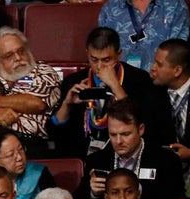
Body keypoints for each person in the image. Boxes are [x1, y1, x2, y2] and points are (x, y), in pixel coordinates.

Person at [50, 27, 173, 159]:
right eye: (94, 59)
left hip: (129, 156)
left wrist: (116, 87)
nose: (99, 66)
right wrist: (67, 105)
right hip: (83, 156)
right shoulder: (74, 81)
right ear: (87, 53)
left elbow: (150, 129)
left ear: (118, 54)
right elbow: (54, 135)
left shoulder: (141, 81)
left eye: (106, 60)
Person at [74, 101, 185, 199]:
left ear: (141, 129)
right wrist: (92, 194)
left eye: (125, 134)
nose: (119, 141)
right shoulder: (97, 161)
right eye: (113, 135)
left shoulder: (165, 160)